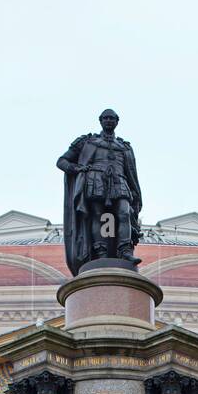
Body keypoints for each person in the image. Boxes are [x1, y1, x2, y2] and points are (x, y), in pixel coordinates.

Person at [57, 109, 142, 274]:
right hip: (95, 180)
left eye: (112, 118)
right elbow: (62, 161)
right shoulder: (87, 141)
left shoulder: (124, 147)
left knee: (124, 213)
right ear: (100, 121)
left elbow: (131, 172)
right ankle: (101, 252)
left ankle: (125, 252)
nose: (109, 121)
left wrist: (136, 193)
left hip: (119, 181)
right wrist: (78, 169)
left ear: (117, 121)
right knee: (99, 216)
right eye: (106, 118)